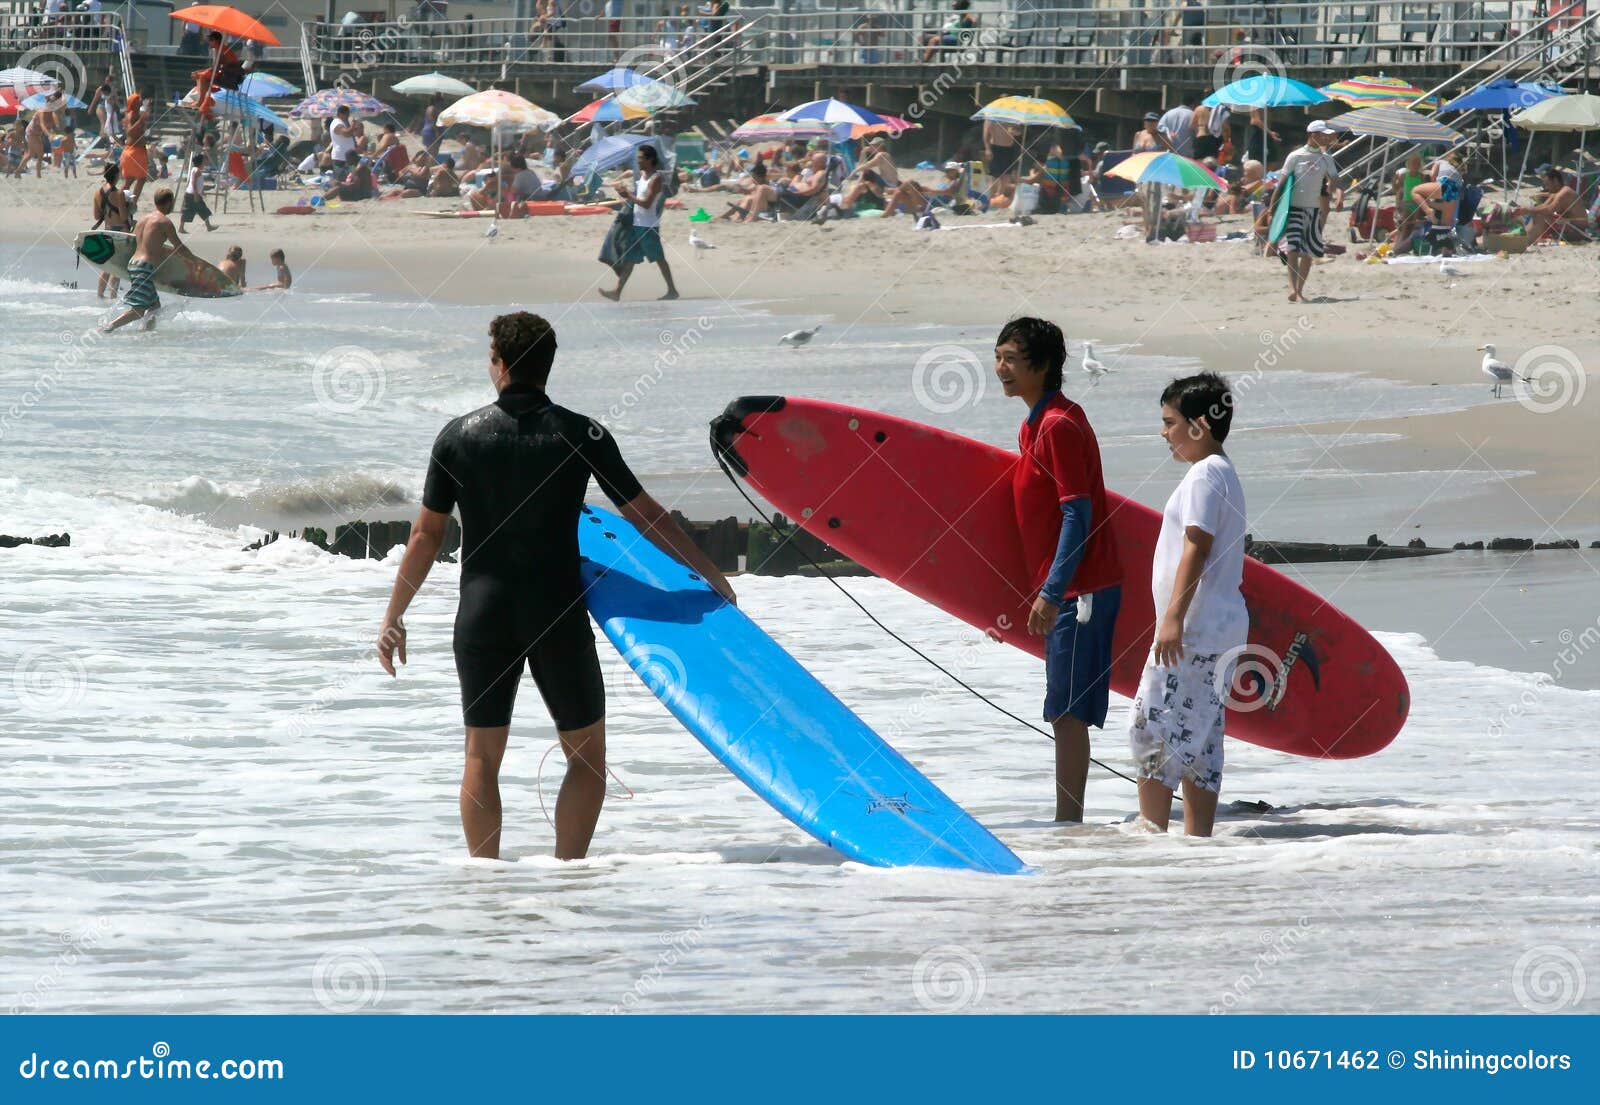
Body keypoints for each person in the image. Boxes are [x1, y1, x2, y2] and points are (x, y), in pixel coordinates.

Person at [376, 312, 737, 860]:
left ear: (498, 363)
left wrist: (393, 615)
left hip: (483, 611)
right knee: (586, 757)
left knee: (481, 757)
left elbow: (426, 535)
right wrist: (708, 575)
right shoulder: (580, 433)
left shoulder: (457, 436)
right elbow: (645, 517)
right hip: (555, 609)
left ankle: (486, 885)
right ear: (548, 365)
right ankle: (571, 881)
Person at [996, 318, 1122, 823]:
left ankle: (1068, 826)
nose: (1000, 368)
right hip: (1069, 587)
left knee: (1067, 713)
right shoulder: (1036, 422)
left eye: (1010, 358)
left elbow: (1079, 511)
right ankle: (1069, 823)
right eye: (997, 356)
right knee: (1065, 710)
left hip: (1080, 590)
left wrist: (1052, 590)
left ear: (1042, 365)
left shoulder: (1058, 426)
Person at [1129, 372, 1248, 837]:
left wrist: (1172, 618)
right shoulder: (1223, 471)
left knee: (1152, 727)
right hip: (1219, 629)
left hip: (1195, 629)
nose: (1163, 433)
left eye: (1169, 422)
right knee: (1199, 736)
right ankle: (1197, 845)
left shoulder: (1203, 476)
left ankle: (1151, 835)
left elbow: (1196, 544)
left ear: (1199, 425)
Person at [103, 188, 197, 332]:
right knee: (139, 310)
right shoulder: (165, 222)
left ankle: (144, 333)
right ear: (169, 203)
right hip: (144, 267)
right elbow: (179, 247)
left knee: (154, 307)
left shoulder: (142, 220)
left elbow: (130, 243)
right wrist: (195, 262)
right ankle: (107, 328)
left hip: (134, 264)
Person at [1270, 120, 1338, 302]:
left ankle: (1300, 290)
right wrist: (1272, 207)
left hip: (1314, 210)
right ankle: (1292, 288)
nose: (1326, 138)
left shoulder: (1326, 159)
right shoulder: (1295, 156)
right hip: (1294, 209)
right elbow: (1282, 183)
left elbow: (1335, 179)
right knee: (1292, 249)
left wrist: (1337, 193)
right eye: (1323, 135)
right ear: (1312, 135)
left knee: (1309, 252)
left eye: (1327, 135)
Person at [601, 145, 678, 300]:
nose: (638, 161)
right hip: (638, 225)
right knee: (629, 260)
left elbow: (647, 204)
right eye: (638, 158)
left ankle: (672, 291)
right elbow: (637, 201)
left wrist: (628, 194)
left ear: (650, 159)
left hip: (648, 227)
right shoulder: (642, 176)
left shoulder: (655, 180)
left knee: (659, 260)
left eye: (641, 158)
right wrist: (624, 194)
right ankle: (617, 292)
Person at [1512, 166, 1589, 241]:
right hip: (1568, 225)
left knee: (1540, 214)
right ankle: (1524, 237)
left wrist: (1528, 210)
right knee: (1537, 212)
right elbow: (1543, 206)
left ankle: (1526, 240)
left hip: (1578, 230)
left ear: (1555, 181)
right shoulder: (1557, 193)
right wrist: (1524, 210)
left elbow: (1549, 209)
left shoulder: (1564, 193)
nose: (1546, 188)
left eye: (1547, 184)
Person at [91, 162, 131, 298]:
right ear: (116, 176)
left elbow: (96, 216)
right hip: (120, 231)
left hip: (107, 230)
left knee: (106, 266)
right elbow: (124, 216)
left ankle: (100, 296)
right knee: (117, 267)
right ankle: (113, 297)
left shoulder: (97, 192)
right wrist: (129, 206)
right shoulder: (118, 193)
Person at [179, 152, 217, 232]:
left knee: (200, 209)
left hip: (191, 194)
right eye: (204, 160)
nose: (206, 161)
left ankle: (208, 226)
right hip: (192, 195)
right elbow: (193, 183)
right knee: (193, 210)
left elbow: (197, 184)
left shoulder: (195, 169)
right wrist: (196, 194)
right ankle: (181, 228)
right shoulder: (197, 171)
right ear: (201, 162)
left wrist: (202, 191)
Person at [1158, 93, 1196, 159]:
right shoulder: (1193, 115)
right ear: (1192, 104)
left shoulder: (1169, 113)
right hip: (1187, 154)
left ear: (1181, 103)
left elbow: (1159, 129)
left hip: (1170, 153)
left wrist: (1168, 133)